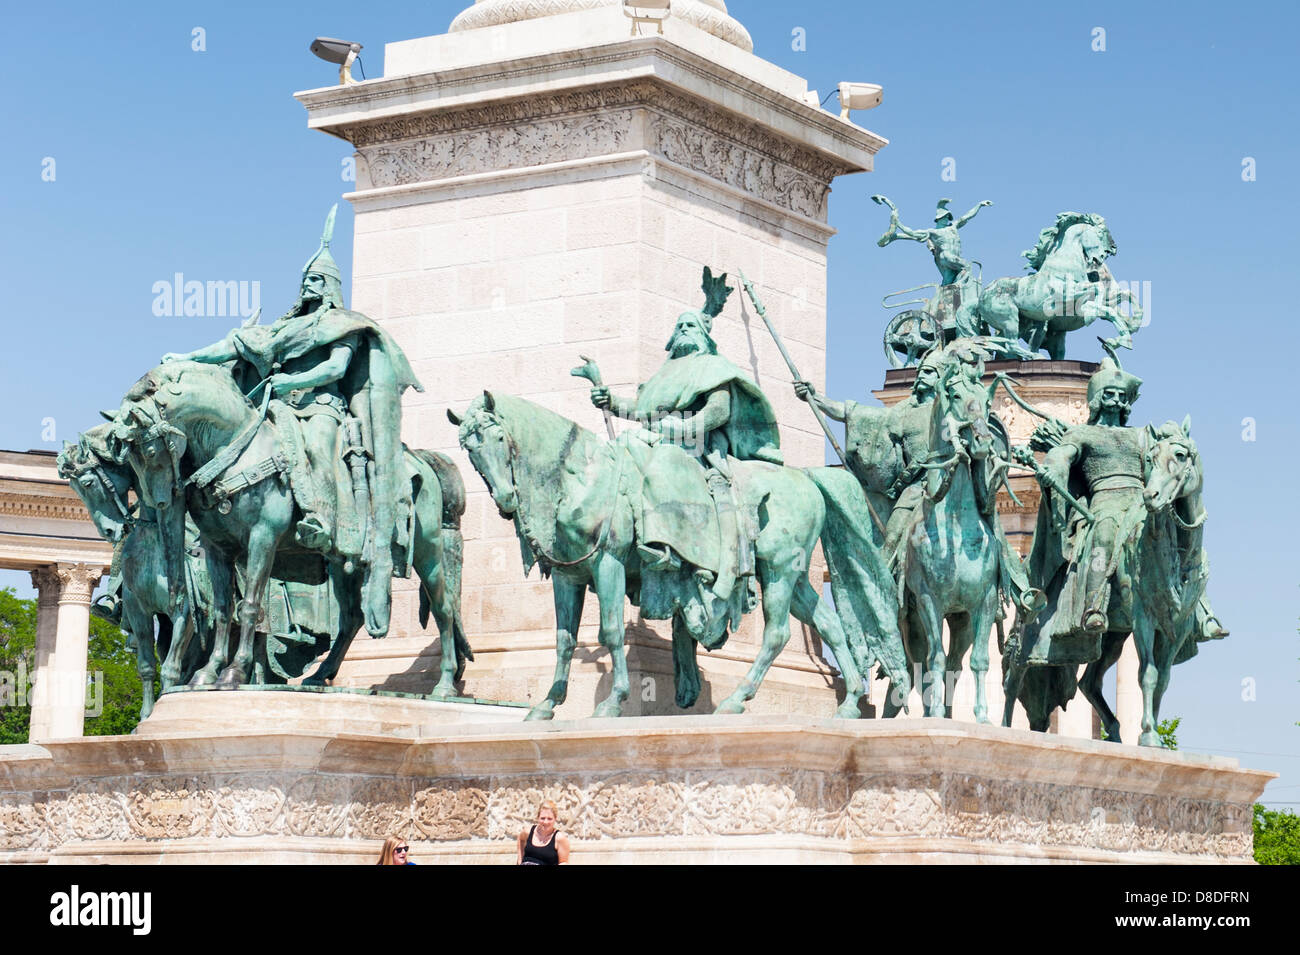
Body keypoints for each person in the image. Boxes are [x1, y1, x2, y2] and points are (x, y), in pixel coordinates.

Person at [517, 801, 569, 865]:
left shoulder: (559, 838)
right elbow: (520, 839)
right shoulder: (527, 832)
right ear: (537, 818)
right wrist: (519, 860)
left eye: (549, 819)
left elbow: (563, 862)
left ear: (555, 819)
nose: (545, 822)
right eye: (542, 818)